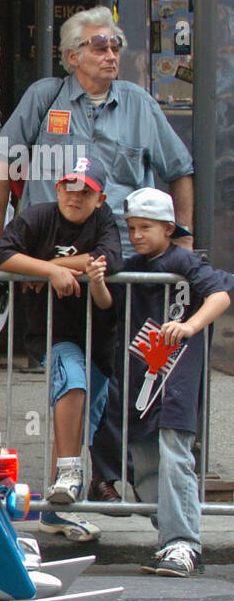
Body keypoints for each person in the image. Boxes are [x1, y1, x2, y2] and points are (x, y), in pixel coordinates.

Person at [0, 5, 194, 502]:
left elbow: (180, 167)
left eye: (116, 45)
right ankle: (76, 474)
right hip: (45, 261)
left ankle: (102, 474)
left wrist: (181, 240)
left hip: (127, 261)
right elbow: (2, 168)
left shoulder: (139, 104)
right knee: (66, 365)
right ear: (72, 55)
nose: (111, 54)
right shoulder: (44, 97)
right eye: (100, 45)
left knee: (122, 367)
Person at [0, 159, 121, 542]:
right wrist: (50, 274)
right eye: (69, 187)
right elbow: (0, 254)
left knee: (77, 420)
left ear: (100, 198)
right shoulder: (38, 216)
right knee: (72, 384)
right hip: (53, 334)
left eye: (86, 192)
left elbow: (107, 260)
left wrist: (51, 266)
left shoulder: (105, 220)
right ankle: (68, 474)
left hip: (98, 336)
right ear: (58, 188)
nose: (75, 197)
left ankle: (57, 510)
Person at [114, 188, 233, 577]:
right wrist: (98, 279)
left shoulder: (184, 259)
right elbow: (104, 302)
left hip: (179, 376)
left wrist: (189, 326)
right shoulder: (131, 263)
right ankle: (169, 538)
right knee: (145, 460)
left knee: (176, 456)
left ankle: (183, 544)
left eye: (145, 227)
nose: (136, 235)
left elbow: (220, 294)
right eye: (131, 228)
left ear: (168, 227)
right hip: (142, 375)